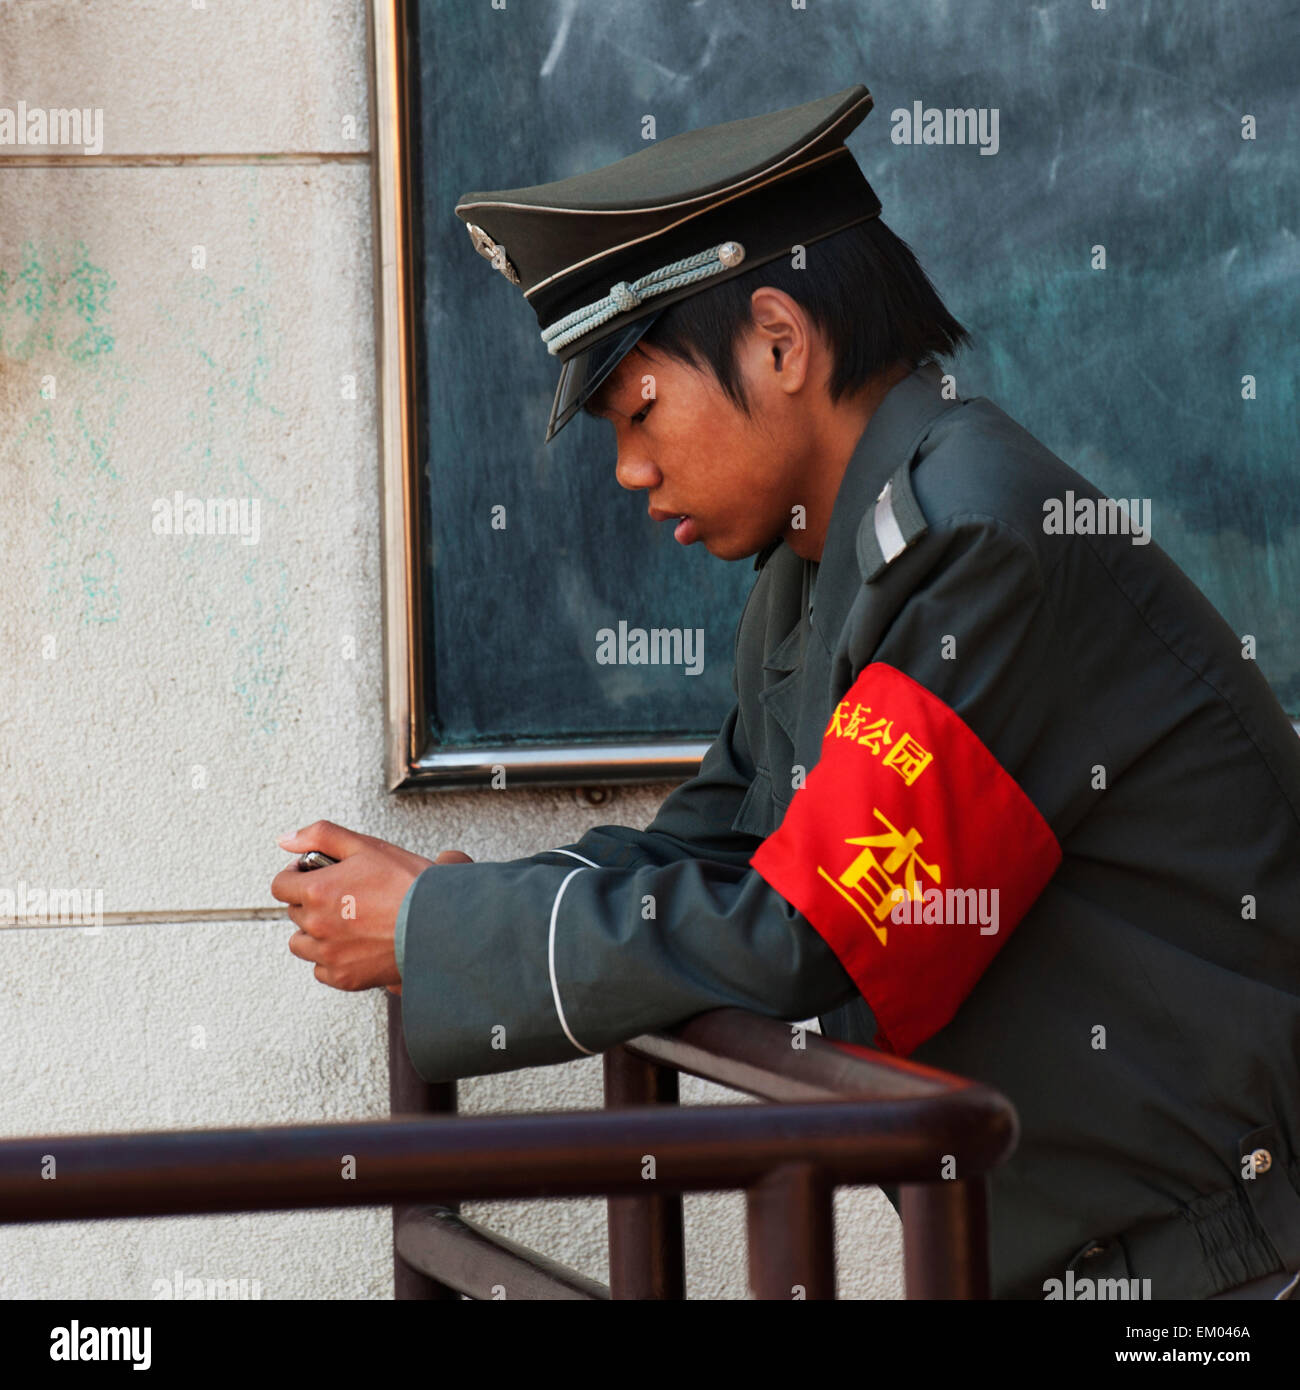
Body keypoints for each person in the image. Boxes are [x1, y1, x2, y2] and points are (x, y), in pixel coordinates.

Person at [270, 84, 1300, 1300]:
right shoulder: (820, 565)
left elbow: (813, 930)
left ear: (778, 337)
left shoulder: (973, 548)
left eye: (640, 406)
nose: (630, 470)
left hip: (1231, 1264)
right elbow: (722, 849)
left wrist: (443, 934)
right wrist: (457, 905)